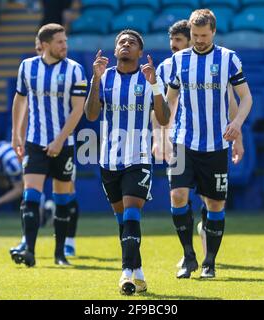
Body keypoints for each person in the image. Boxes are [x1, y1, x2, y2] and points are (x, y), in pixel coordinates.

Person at [166, 9, 252, 279]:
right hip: (183, 141)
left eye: (204, 35)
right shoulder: (179, 60)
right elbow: (170, 101)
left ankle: (210, 262)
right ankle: (188, 256)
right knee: (178, 195)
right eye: (195, 35)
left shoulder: (228, 59)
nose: (199, 40)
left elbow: (244, 98)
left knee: (215, 205)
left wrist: (237, 127)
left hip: (216, 144)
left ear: (213, 32)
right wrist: (161, 134)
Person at [84, 29, 170, 295]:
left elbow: (164, 118)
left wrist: (155, 84)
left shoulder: (149, 79)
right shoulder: (105, 77)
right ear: (115, 50)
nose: (126, 45)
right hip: (108, 159)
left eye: (132, 43)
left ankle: (125, 273)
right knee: (123, 220)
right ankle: (139, 272)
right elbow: (90, 115)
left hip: (139, 158)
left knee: (133, 213)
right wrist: (94, 81)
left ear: (140, 52)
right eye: (121, 42)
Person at [10, 23, 87, 267]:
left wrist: (59, 140)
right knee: (30, 195)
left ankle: (59, 254)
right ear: (44, 45)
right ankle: (30, 251)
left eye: (65, 41)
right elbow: (20, 101)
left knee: (62, 199)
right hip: (35, 142)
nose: (65, 46)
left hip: (64, 144)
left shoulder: (75, 69)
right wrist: (16, 135)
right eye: (60, 42)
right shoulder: (27, 67)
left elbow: (78, 109)